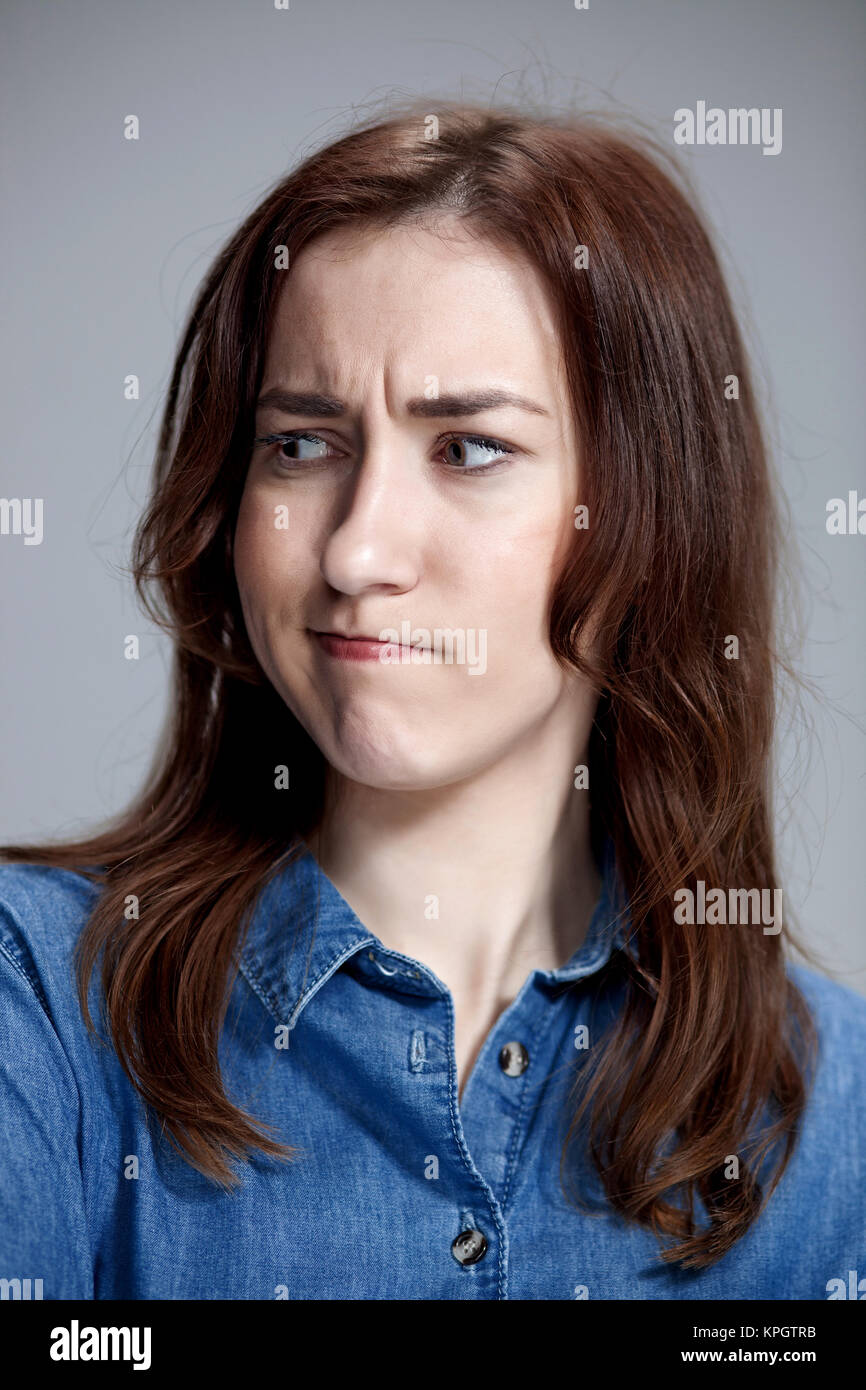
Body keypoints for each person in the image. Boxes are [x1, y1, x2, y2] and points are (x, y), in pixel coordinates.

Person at [1, 100, 863, 1301]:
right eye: (301, 443)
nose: (356, 553)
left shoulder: (838, 1127)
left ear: (647, 512)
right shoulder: (35, 1008)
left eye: (465, 449)